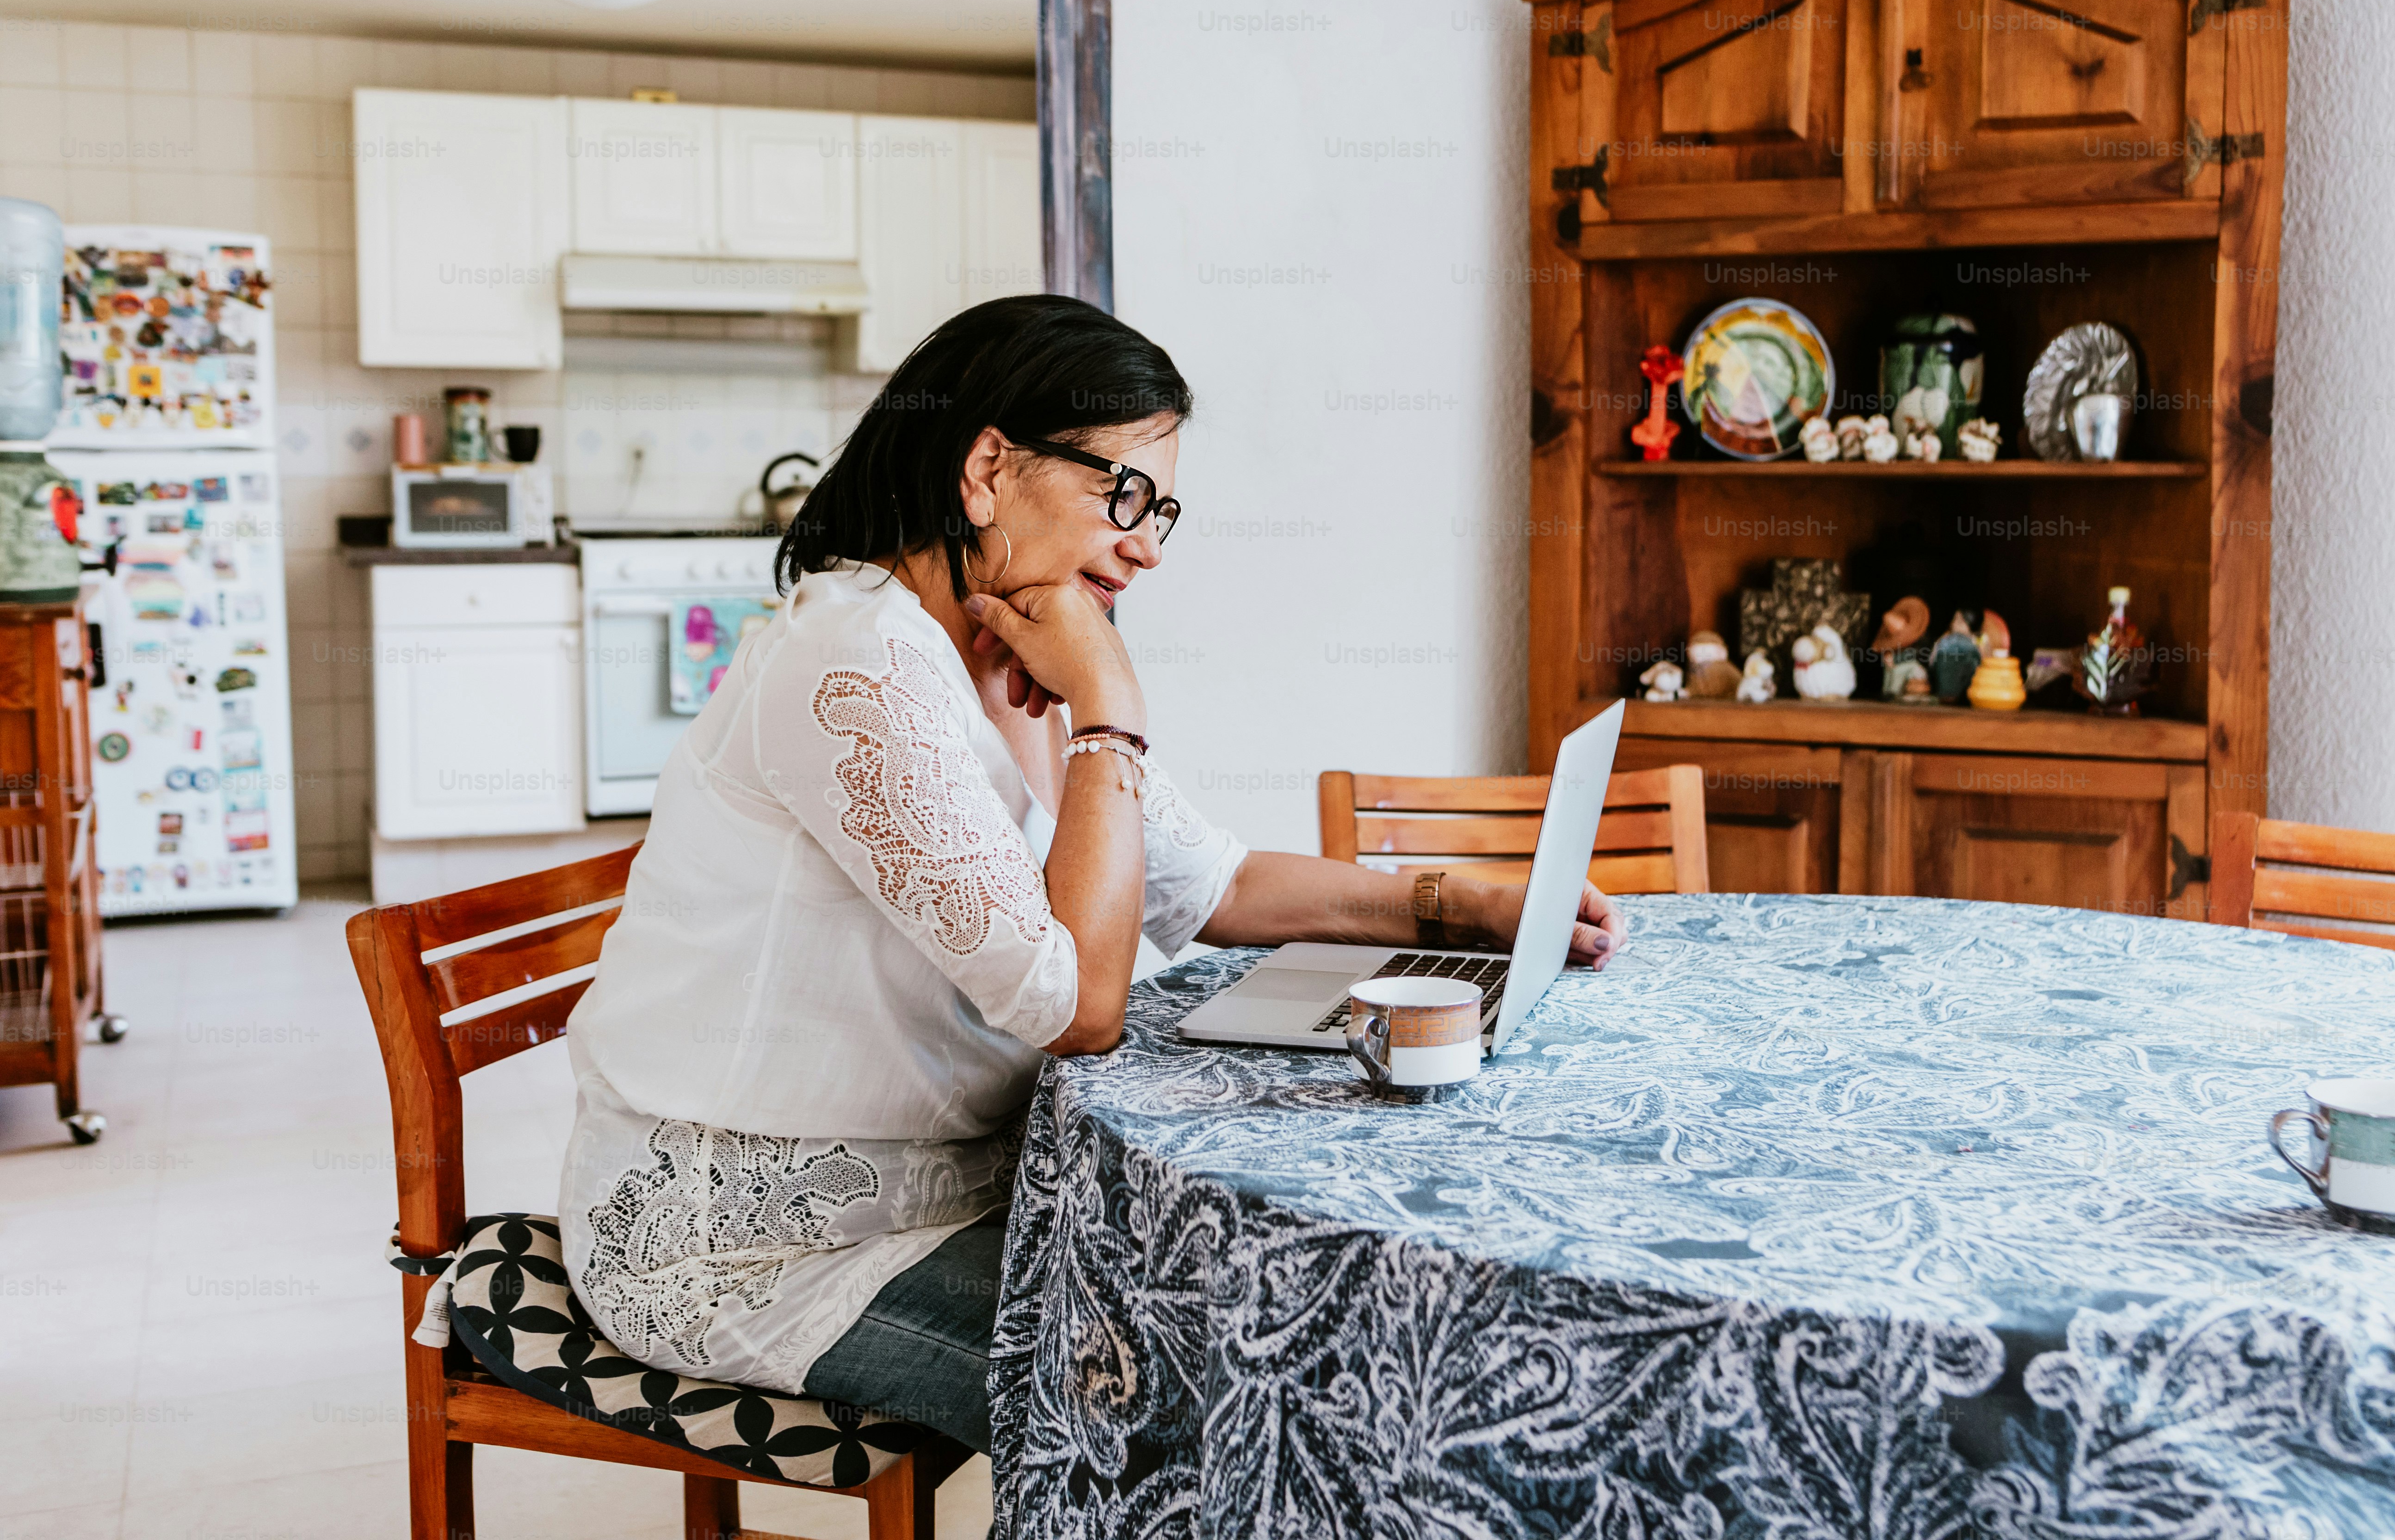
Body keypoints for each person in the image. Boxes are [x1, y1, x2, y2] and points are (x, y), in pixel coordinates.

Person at [558, 294, 1627, 1454]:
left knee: (1290, 1332)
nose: (1148, 545)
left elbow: (1215, 888)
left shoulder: (1003, 650)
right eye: (1122, 494)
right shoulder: (855, 665)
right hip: (754, 1248)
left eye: (1161, 509)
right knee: (1212, 1413)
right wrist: (1108, 713)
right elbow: (1081, 1007)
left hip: (971, 1186)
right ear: (986, 470)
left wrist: (1468, 903)